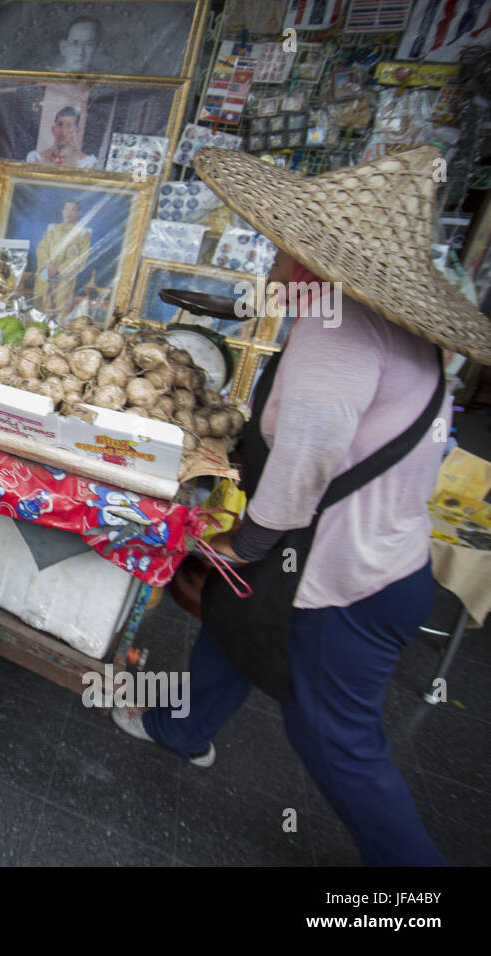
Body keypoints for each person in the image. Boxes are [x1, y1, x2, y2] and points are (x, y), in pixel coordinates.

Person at [111, 145, 491, 866]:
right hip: (368, 551)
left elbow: (306, 458)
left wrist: (247, 540)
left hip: (348, 578)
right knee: (234, 621)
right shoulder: (396, 330)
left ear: (319, 260)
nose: (275, 258)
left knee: (337, 742)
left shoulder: (338, 331)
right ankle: (181, 729)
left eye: (286, 247)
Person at [33, 199, 90, 317]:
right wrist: (48, 265)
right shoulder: (52, 229)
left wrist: (59, 270)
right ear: (62, 211)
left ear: (79, 213)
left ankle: (58, 326)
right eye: (67, 209)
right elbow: (42, 248)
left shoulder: (83, 233)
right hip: (47, 271)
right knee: (41, 300)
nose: (69, 212)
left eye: (73, 209)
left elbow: (82, 257)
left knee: (61, 302)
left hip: (65, 275)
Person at [26, 107, 100, 169]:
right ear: (53, 129)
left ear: (76, 131)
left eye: (69, 125)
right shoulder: (37, 158)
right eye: (60, 124)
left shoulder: (85, 162)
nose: (63, 131)